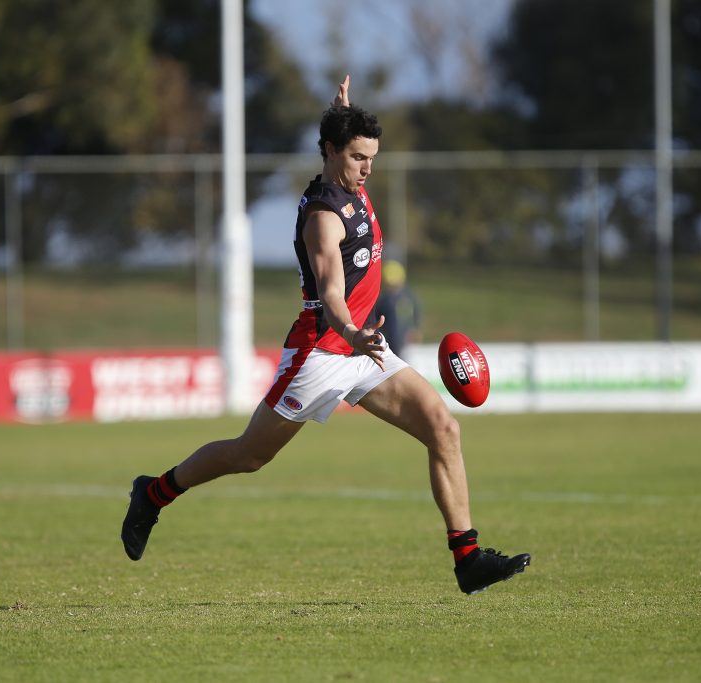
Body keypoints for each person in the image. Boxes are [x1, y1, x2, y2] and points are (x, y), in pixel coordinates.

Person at [121, 75, 529, 595]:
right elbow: (332, 292)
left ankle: (467, 559)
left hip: (363, 347)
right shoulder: (323, 217)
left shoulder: (350, 176)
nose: (368, 168)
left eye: (373, 157)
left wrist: (343, 108)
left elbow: (346, 145)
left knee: (443, 428)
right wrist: (352, 332)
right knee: (249, 455)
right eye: (359, 157)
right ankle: (152, 494)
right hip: (323, 349)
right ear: (333, 152)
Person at [374, 260, 421, 358]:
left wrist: (415, 328)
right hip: (388, 337)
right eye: (389, 286)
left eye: (394, 286)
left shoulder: (408, 297)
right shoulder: (383, 300)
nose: (391, 289)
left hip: (404, 337)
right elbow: (377, 317)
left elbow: (415, 313)